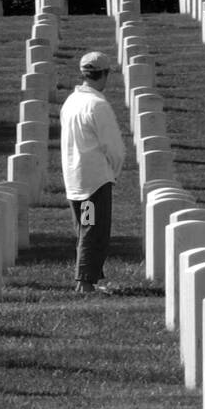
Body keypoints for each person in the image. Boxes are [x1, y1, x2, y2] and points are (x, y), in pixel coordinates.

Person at [59, 50, 126, 293]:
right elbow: (114, 147)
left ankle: (86, 279)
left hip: (74, 176)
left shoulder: (71, 102)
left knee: (84, 227)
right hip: (94, 179)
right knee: (93, 230)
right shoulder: (97, 105)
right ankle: (85, 282)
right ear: (105, 74)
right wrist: (114, 172)